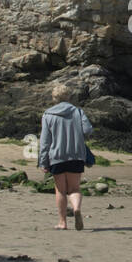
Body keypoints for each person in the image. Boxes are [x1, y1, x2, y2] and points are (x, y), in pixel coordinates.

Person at [38, 86, 94, 231]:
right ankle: (76, 208)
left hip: (57, 156)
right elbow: (88, 130)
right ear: (69, 97)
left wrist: (43, 161)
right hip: (76, 155)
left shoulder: (48, 115)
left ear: (54, 98)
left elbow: (45, 142)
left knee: (60, 190)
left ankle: (63, 222)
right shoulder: (78, 111)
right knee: (75, 188)